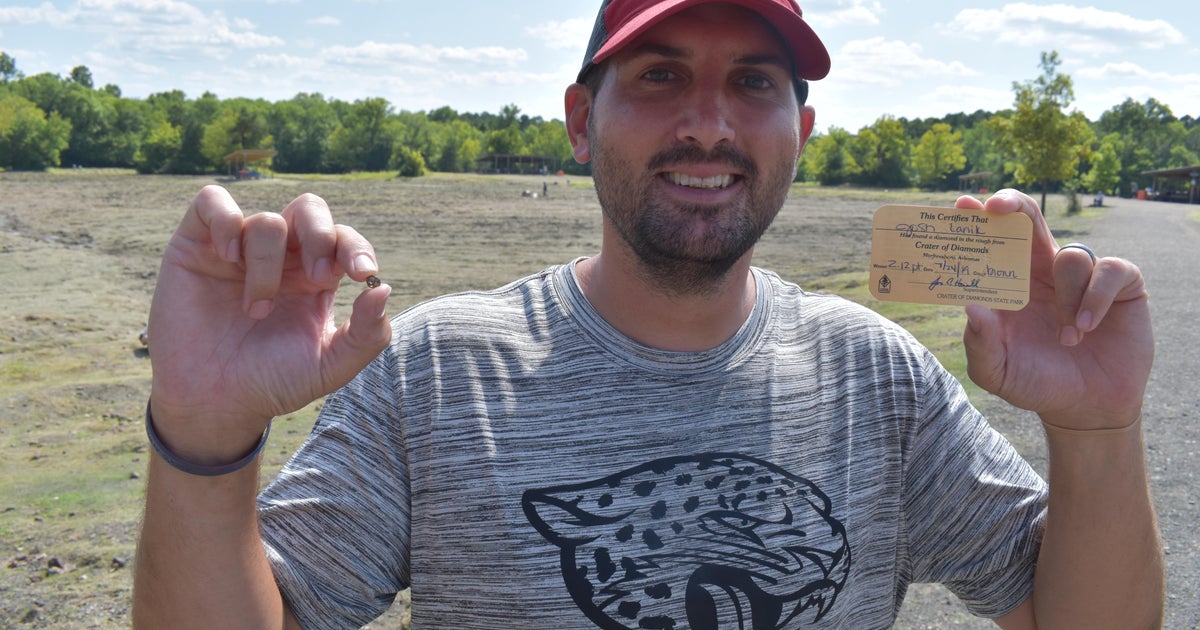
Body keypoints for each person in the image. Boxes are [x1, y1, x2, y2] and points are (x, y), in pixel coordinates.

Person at [132, 0, 1163, 628]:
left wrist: (1098, 429)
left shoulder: (878, 380)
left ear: (799, 129)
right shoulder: (441, 374)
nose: (708, 123)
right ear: (584, 121)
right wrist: (206, 432)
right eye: (661, 76)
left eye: (752, 83)